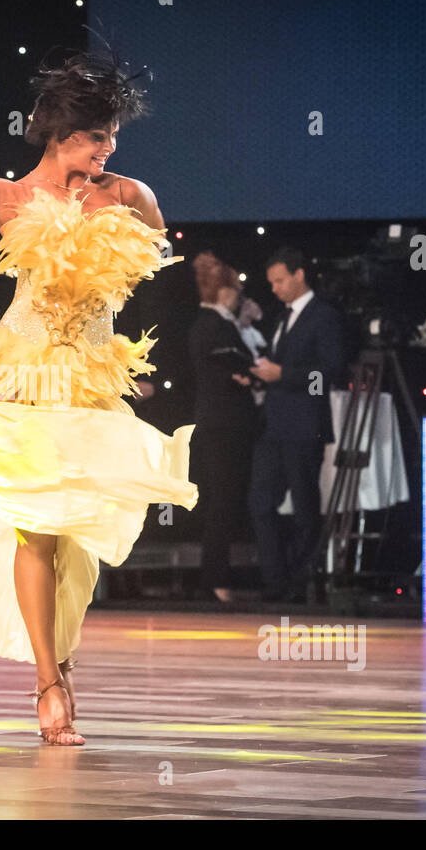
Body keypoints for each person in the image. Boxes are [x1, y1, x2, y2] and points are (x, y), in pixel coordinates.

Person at [0, 50, 198, 746]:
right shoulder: (9, 197)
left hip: (88, 378)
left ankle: (60, 659)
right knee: (35, 526)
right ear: (60, 135)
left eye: (113, 136)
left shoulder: (129, 195)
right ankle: (48, 682)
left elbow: (160, 257)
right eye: (96, 136)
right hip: (24, 377)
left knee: (76, 533)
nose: (109, 148)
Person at [237, 246, 345, 603]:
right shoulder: (283, 317)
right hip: (275, 422)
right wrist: (258, 377)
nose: (275, 288)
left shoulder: (323, 316)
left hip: (304, 423)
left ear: (300, 275)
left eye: (280, 280)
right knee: (260, 501)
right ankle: (277, 577)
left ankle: (301, 578)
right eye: (271, 283)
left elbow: (328, 372)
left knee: (303, 503)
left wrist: (283, 374)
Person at [188, 252, 260, 603]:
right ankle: (214, 578)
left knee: (224, 501)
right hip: (223, 427)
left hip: (223, 425)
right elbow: (231, 368)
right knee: (222, 502)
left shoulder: (219, 324)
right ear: (225, 292)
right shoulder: (211, 325)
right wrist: (245, 376)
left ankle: (215, 576)